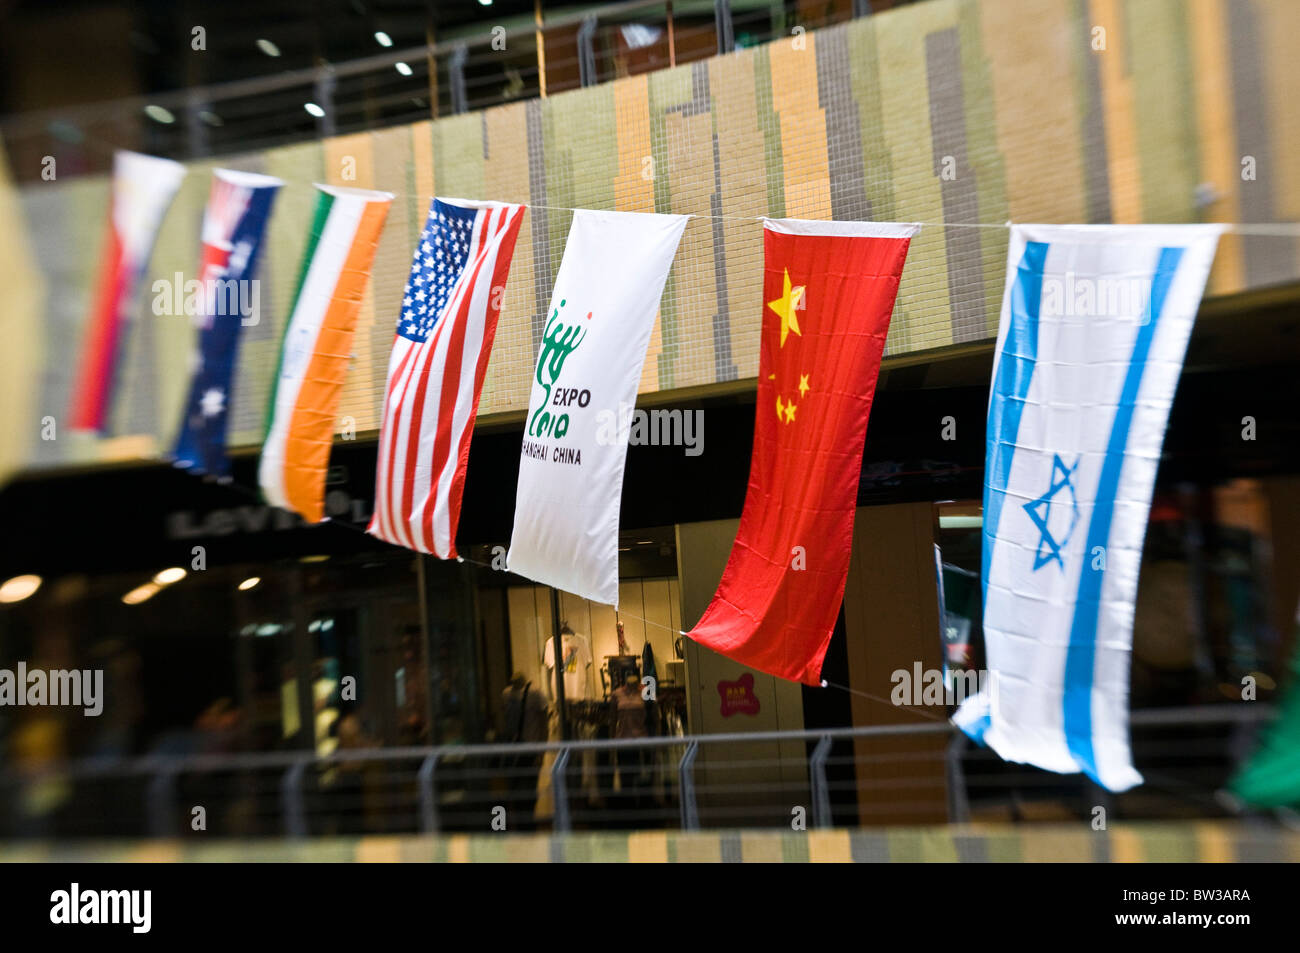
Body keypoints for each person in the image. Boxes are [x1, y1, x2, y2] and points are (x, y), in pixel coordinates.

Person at [500, 672, 549, 830]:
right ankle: (519, 824)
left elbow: (544, 723)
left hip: (530, 747)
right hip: (514, 747)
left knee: (529, 788)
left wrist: (541, 751)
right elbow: (505, 718)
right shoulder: (506, 694)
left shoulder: (535, 693)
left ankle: (527, 824)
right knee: (514, 787)